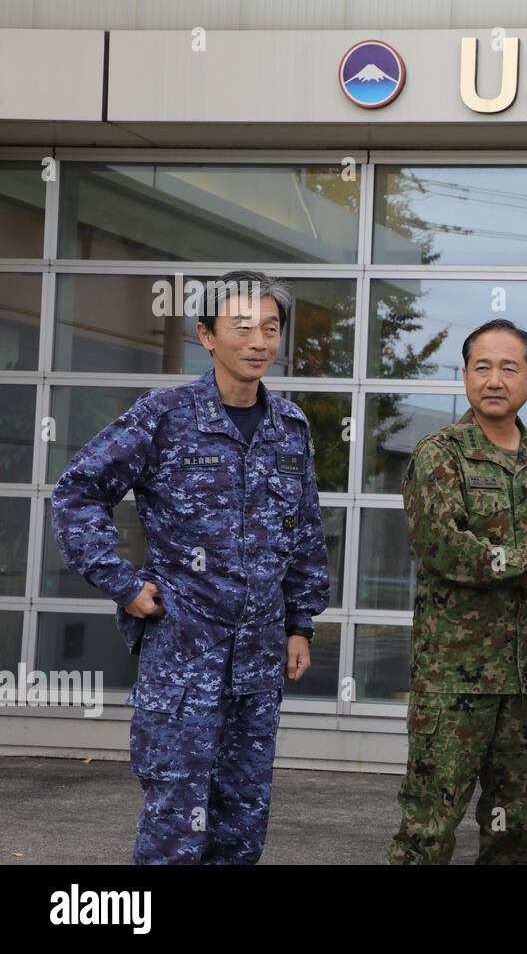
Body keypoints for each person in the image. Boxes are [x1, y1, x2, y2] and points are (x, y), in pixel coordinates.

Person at [52, 270, 329, 864]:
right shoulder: (164, 415)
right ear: (206, 335)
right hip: (183, 660)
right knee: (175, 824)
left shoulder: (291, 429)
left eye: (271, 329)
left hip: (257, 663)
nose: (259, 342)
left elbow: (304, 530)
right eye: (242, 327)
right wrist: (123, 585)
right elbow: (77, 491)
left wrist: (300, 623)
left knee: (241, 823)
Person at [389, 319, 527, 865]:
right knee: (429, 826)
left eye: (508, 368)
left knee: (516, 827)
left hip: (526, 682)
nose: (494, 379)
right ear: (465, 376)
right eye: (482, 367)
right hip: (454, 682)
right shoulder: (440, 453)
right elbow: (444, 547)